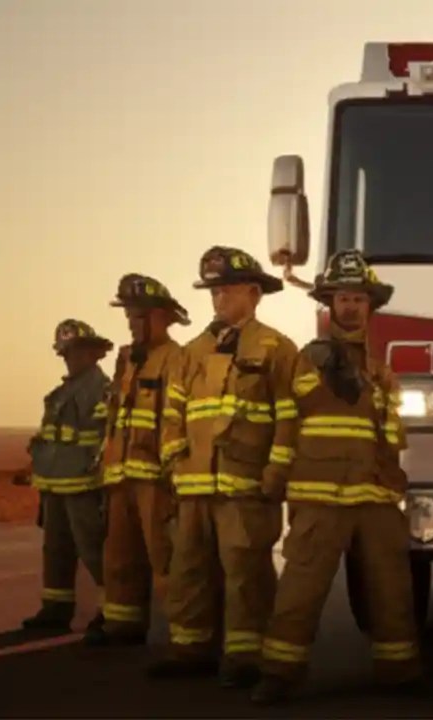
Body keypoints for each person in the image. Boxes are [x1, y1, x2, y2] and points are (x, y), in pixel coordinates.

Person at [252, 250, 433, 704]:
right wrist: (276, 474)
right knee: (301, 587)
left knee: (392, 588)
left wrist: (395, 476)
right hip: (321, 494)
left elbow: (392, 435)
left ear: (369, 306)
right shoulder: (307, 359)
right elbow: (287, 420)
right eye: (342, 298)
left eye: (358, 298)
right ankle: (279, 673)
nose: (351, 306)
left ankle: (399, 670)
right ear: (329, 305)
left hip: (375, 495)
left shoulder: (381, 372)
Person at [149, 247, 299, 687]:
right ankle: (190, 649)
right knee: (188, 570)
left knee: (245, 571)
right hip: (194, 484)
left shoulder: (276, 348)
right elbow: (172, 414)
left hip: (246, 484)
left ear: (254, 293)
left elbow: (288, 416)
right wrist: (174, 462)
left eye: (228, 290)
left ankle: (245, 657)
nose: (218, 300)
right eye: (214, 291)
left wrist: (277, 471)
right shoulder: (192, 351)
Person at [90, 274, 189, 646]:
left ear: (165, 317)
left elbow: (177, 419)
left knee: (165, 558)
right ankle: (122, 624)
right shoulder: (126, 359)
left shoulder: (177, 358)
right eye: (131, 317)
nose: (134, 324)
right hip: (119, 475)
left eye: (142, 316)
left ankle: (185, 637)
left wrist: (172, 473)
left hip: (155, 479)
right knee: (117, 557)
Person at [22, 320, 111, 635]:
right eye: (66, 352)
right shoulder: (59, 394)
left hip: (84, 486)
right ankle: (55, 611)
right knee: (56, 550)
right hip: (54, 485)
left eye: (76, 351)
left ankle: (112, 611)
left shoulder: (102, 391)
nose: (70, 358)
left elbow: (106, 438)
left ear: (93, 353)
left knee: (93, 550)